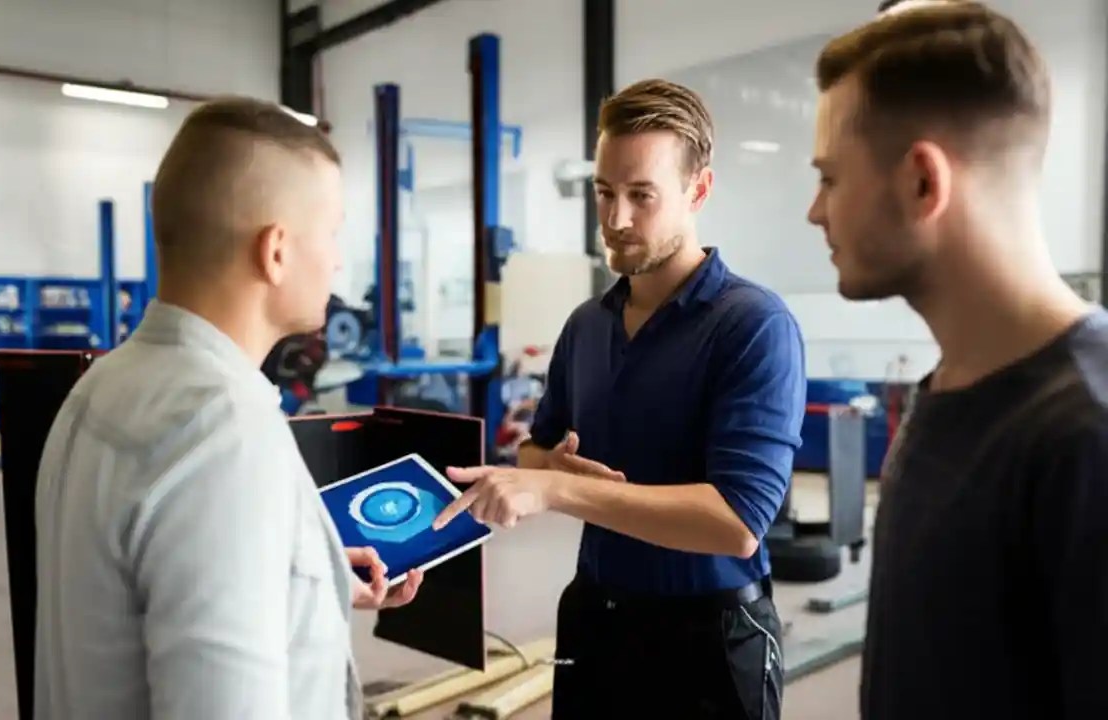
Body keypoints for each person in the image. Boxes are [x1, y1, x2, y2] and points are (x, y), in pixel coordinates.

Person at [32, 97, 423, 720]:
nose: (339, 260)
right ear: (276, 251)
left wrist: (312, 583)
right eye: (331, 232)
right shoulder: (223, 435)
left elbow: (135, 604)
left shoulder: (103, 386)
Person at [435, 79, 807, 719]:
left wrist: (559, 491)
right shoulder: (587, 324)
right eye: (605, 193)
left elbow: (737, 524)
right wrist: (548, 469)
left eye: (642, 196)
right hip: (595, 618)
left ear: (699, 190)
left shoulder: (752, 325)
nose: (616, 219)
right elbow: (536, 449)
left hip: (708, 638)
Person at [808, 3, 1108, 718]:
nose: (815, 212)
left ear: (921, 183)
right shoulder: (945, 394)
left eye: (829, 178)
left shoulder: (1086, 439)